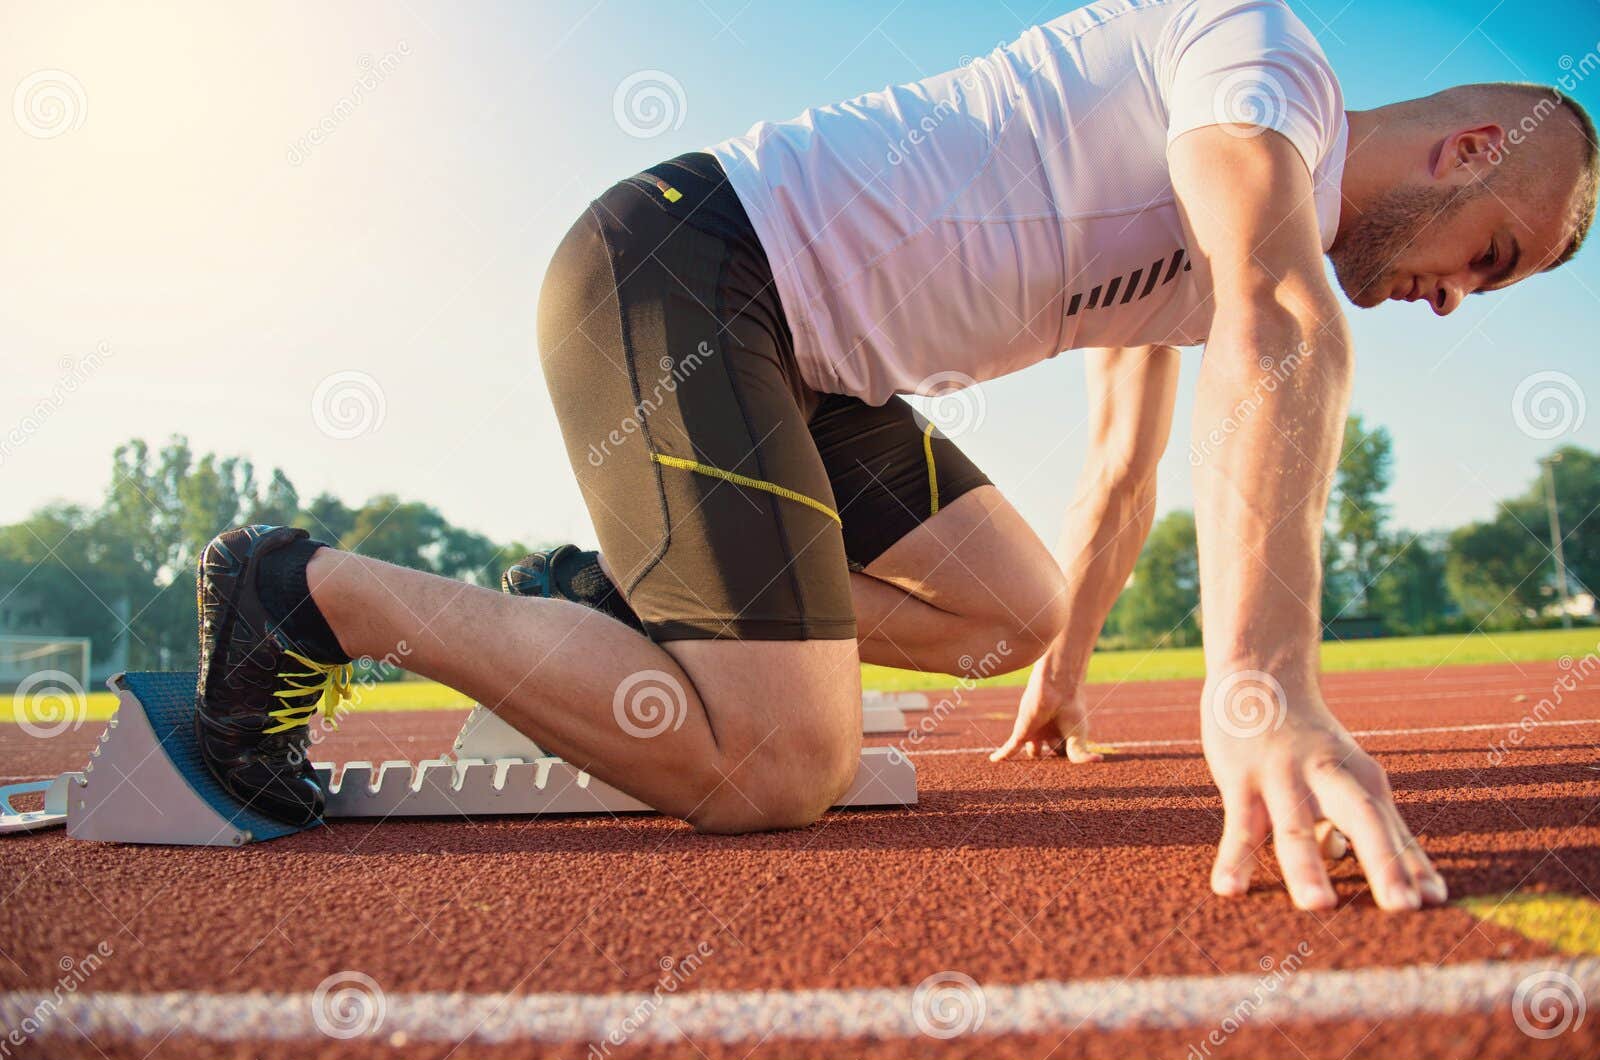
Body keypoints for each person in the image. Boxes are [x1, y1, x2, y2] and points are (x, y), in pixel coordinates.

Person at [194, 0, 1596, 913]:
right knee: (774, 769)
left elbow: (1125, 466)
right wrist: (1263, 685)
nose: (1461, 298)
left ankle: (621, 606)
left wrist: (1063, 675)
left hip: (812, 375)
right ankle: (307, 593)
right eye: (1496, 256)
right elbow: (1278, 318)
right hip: (690, 268)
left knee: (1012, 617)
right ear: (1472, 147)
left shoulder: (1222, 218)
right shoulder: (1260, 64)